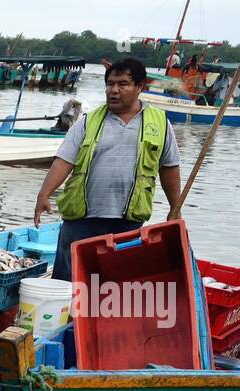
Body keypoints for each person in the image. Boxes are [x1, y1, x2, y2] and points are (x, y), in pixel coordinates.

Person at [35, 57, 182, 282]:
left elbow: (169, 168)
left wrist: (175, 207)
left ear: (140, 87)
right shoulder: (88, 121)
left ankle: (102, 317)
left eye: (122, 84)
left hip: (128, 220)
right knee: (68, 278)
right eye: (110, 84)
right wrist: (44, 194)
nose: (114, 90)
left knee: (116, 281)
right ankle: (67, 317)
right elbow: (64, 160)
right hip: (82, 217)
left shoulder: (160, 123)